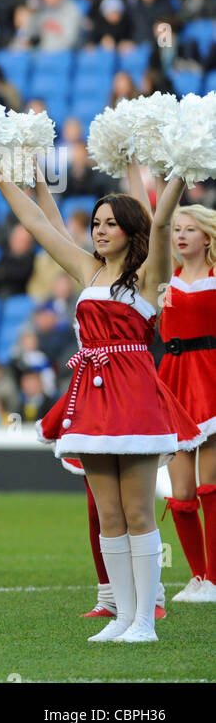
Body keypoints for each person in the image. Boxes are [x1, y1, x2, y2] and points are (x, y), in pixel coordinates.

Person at [0, 173, 194, 642]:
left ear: (129, 229)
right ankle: (123, 616)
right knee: (109, 515)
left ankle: (146, 619)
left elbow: (162, 221)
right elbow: (40, 225)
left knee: (138, 512)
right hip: (93, 399)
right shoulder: (89, 271)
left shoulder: (148, 277)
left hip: (136, 398)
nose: (100, 230)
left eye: (110, 224)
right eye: (97, 223)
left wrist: (182, 169)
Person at [157, 202, 216, 603]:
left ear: (208, 236)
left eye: (190, 229)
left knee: (209, 485)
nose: (180, 236)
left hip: (209, 377)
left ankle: (213, 578)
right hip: (173, 379)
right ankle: (197, 576)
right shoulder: (166, 278)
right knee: (180, 494)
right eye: (177, 229)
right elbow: (154, 220)